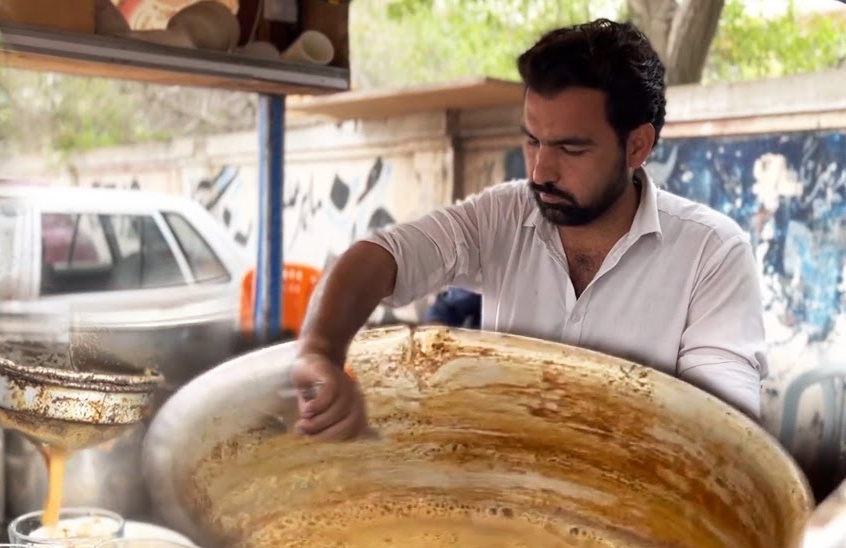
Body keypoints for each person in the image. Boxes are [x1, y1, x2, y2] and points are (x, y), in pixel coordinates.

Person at [291, 19, 766, 440]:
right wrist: (320, 351)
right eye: (532, 140)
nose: (541, 171)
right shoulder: (503, 216)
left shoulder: (712, 253)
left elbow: (724, 428)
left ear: (637, 146)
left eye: (571, 148)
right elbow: (384, 255)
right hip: (503, 509)